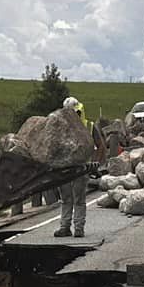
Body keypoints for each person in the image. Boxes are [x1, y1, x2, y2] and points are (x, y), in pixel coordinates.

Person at [55, 96, 91, 238]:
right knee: (77, 200)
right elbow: (99, 146)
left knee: (69, 200)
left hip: (68, 169)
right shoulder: (88, 125)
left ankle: (67, 227)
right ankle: (77, 228)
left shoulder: (59, 128)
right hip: (78, 169)